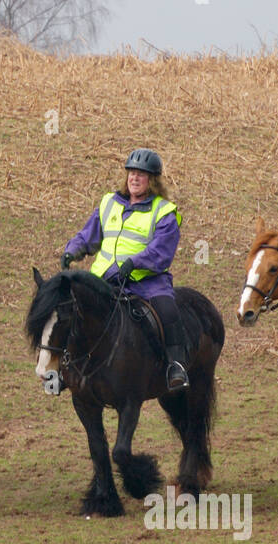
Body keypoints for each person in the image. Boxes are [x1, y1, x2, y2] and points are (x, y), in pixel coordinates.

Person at [61, 148, 189, 391]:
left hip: (146, 284)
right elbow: (89, 236)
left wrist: (135, 262)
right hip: (103, 280)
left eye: (141, 174)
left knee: (168, 310)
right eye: (131, 172)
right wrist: (73, 250)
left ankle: (176, 366)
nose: (134, 178)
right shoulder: (109, 202)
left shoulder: (164, 212)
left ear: (152, 180)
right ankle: (61, 370)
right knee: (66, 309)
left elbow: (161, 252)